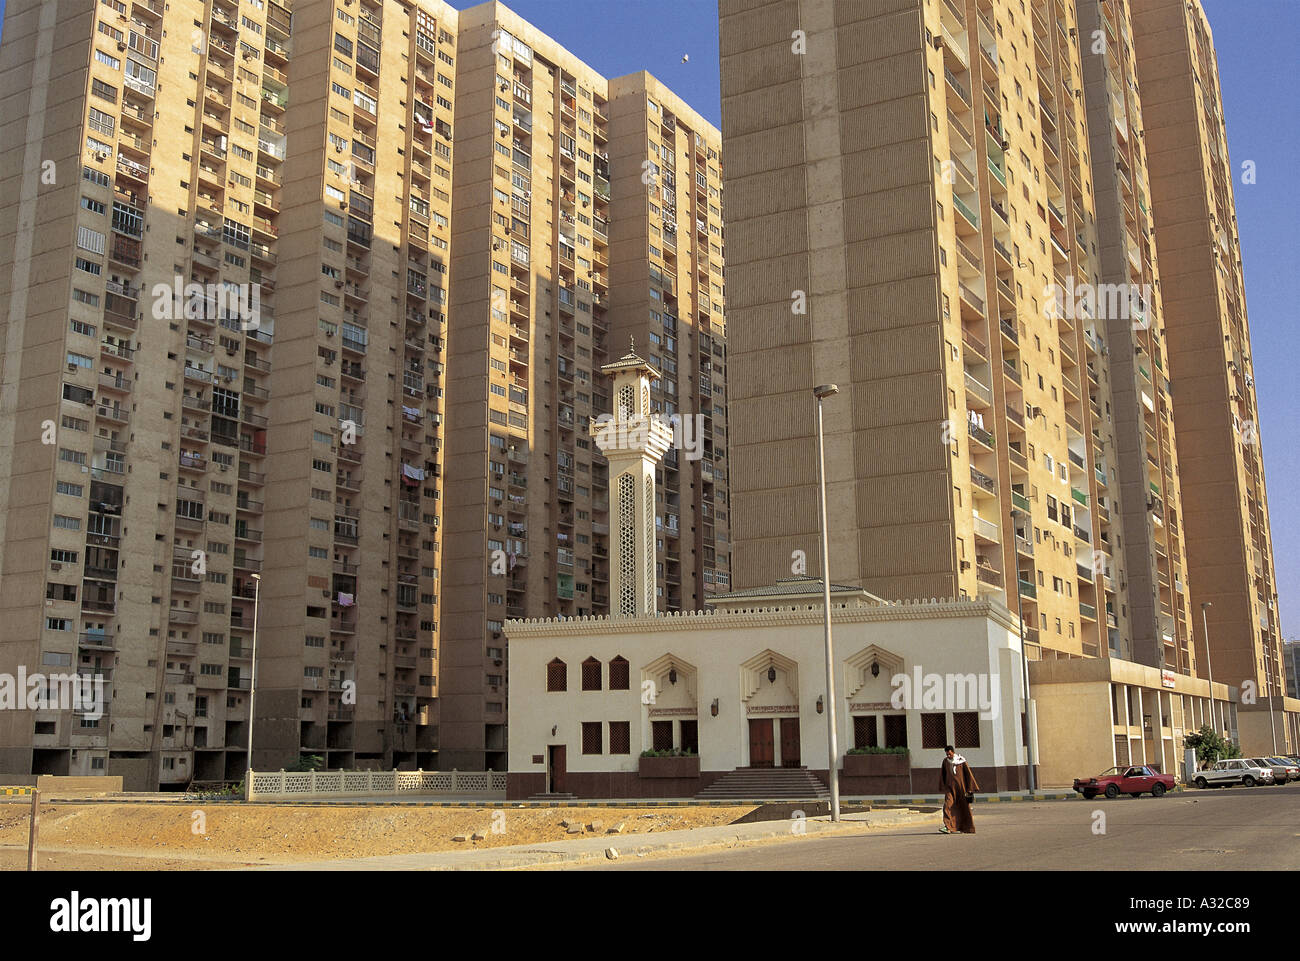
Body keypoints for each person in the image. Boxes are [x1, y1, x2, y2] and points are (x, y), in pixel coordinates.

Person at [939, 745, 980, 834]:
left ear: (953, 752)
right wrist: (943, 786)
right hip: (950, 789)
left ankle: (966, 828)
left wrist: (970, 789)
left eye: (949, 754)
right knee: (947, 805)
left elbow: (968, 775)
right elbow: (943, 774)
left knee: (963, 808)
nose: (948, 756)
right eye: (947, 754)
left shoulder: (961, 761)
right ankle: (948, 826)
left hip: (961, 789)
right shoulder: (946, 762)